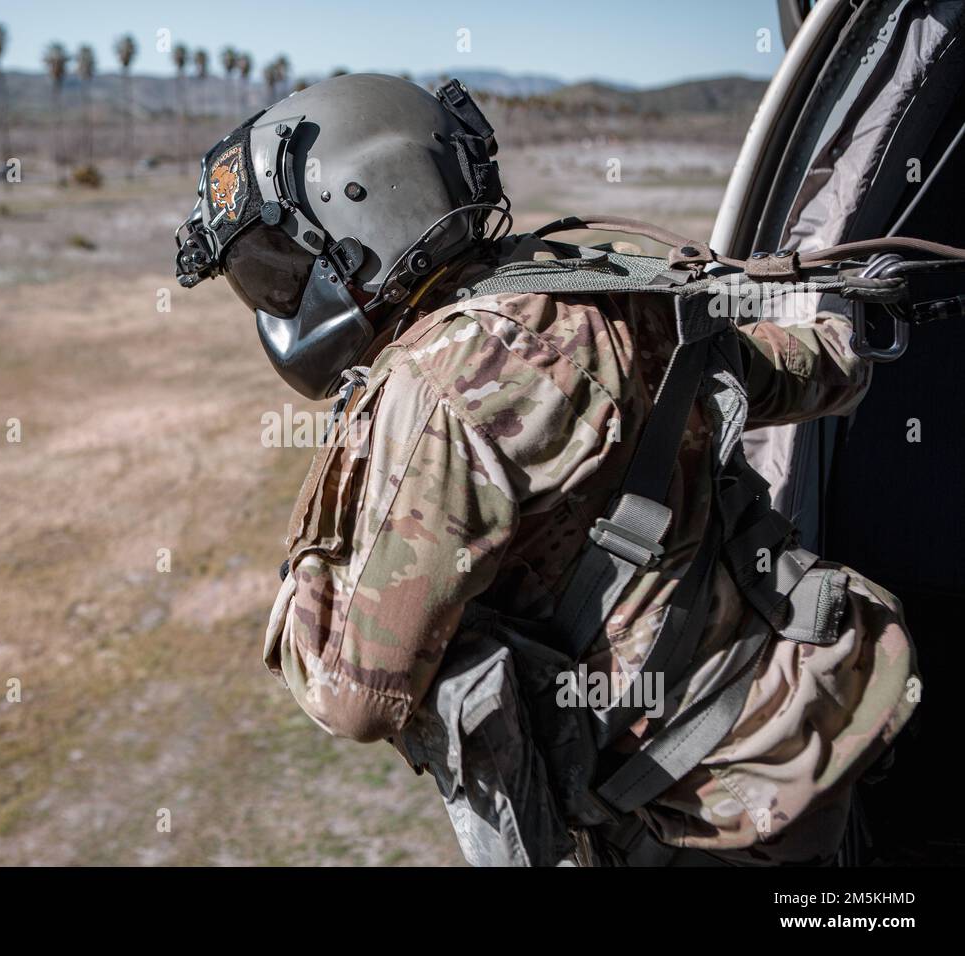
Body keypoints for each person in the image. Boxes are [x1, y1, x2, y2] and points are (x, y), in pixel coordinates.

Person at [173, 73, 918, 865]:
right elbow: (819, 372)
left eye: (279, 269)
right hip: (824, 704)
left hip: (702, 815)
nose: (277, 305)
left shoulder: (436, 391)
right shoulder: (603, 275)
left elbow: (356, 696)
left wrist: (304, 581)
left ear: (362, 210)